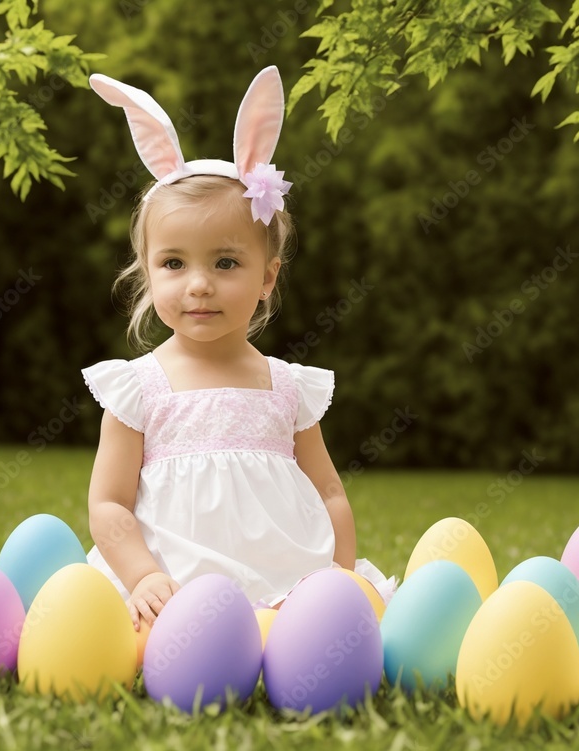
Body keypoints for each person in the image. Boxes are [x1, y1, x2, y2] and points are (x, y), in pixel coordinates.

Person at [82, 67, 394, 630]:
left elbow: (329, 494)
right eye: (174, 263)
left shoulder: (287, 386)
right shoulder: (138, 388)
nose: (198, 284)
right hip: (170, 588)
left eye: (225, 263)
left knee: (303, 636)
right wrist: (143, 577)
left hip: (284, 588)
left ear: (268, 277)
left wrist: (339, 582)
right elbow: (108, 504)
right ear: (148, 274)